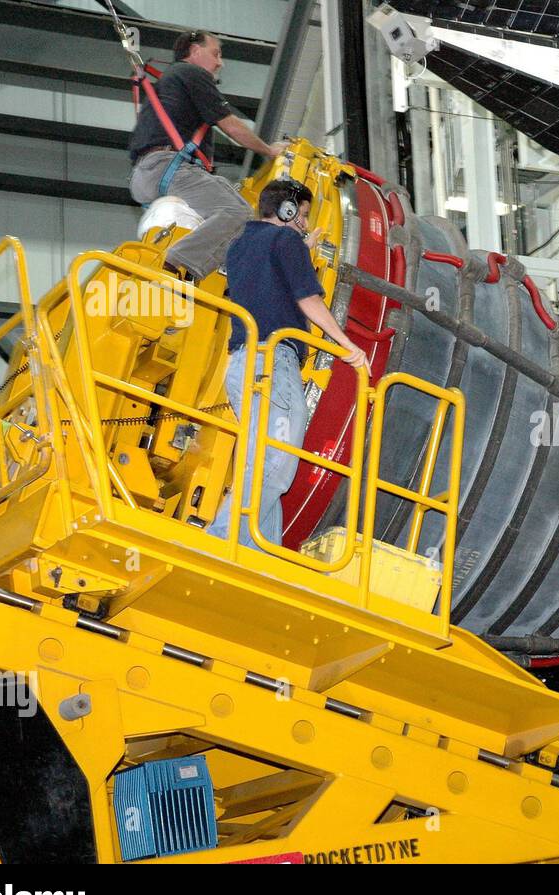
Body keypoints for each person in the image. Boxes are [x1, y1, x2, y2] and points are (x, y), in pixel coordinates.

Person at [208, 179, 368, 551]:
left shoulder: (240, 246)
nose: (307, 225)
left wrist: (302, 251)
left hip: (243, 363)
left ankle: (262, 558)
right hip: (273, 362)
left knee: (263, 465)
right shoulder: (285, 242)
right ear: (288, 211)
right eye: (304, 215)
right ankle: (219, 544)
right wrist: (348, 347)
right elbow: (307, 299)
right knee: (276, 467)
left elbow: (269, 283)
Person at [128, 30, 285, 282]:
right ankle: (174, 264)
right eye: (216, 53)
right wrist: (269, 151)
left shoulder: (173, 82)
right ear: (195, 51)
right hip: (167, 168)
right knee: (237, 211)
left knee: (236, 215)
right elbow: (231, 126)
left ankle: (199, 274)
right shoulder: (191, 73)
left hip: (153, 173)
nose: (219, 62)